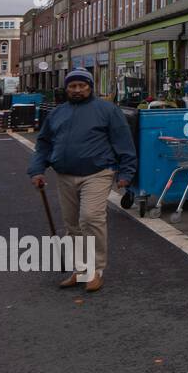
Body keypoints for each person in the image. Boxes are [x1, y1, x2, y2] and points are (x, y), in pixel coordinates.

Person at [27, 67, 137, 293]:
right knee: (72, 225)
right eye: (72, 86)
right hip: (65, 175)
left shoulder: (107, 110)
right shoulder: (57, 113)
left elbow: (124, 142)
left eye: (82, 85)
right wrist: (37, 170)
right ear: (66, 88)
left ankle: (96, 270)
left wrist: (126, 173)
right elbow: (44, 143)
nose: (77, 90)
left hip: (98, 172)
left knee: (90, 218)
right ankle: (81, 269)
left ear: (90, 87)